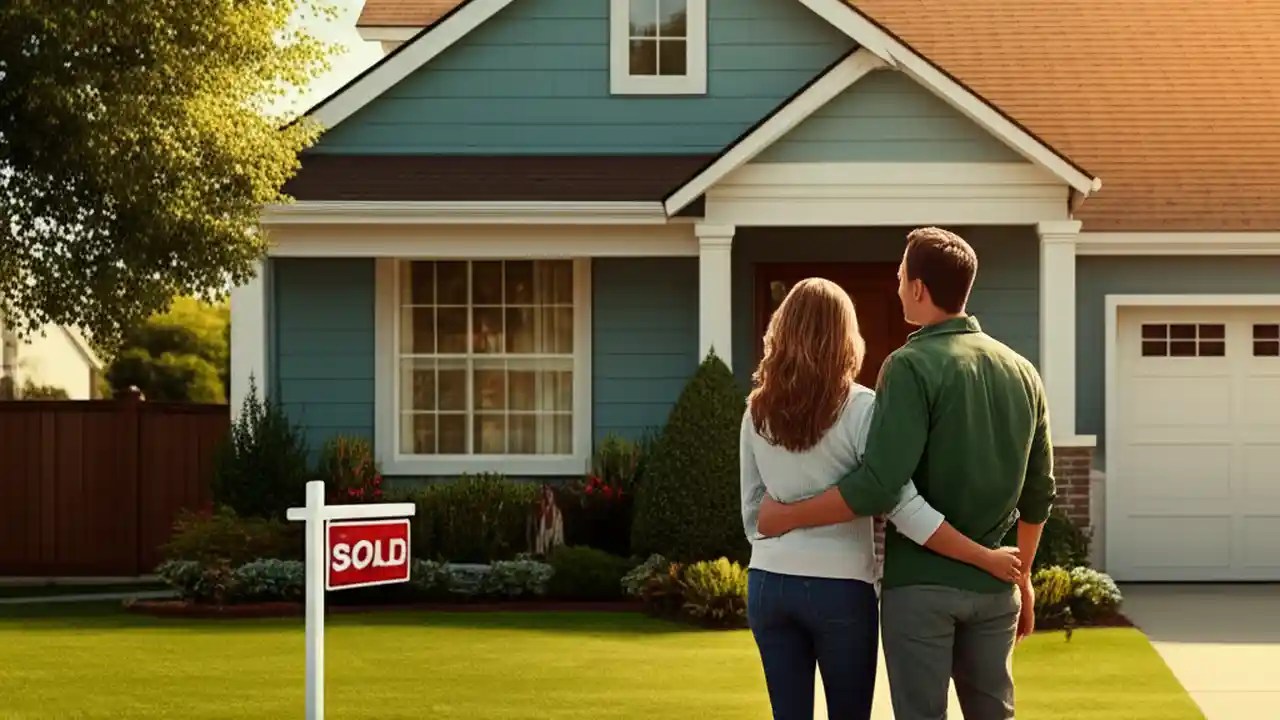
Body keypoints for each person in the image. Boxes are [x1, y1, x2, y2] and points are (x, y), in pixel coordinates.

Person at [757, 227, 1055, 720]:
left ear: (918, 288)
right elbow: (1039, 493)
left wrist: (787, 515)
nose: (897, 288)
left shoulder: (909, 366)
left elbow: (880, 484)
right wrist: (1020, 576)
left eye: (899, 278)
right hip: (995, 589)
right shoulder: (1023, 371)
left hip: (921, 591)